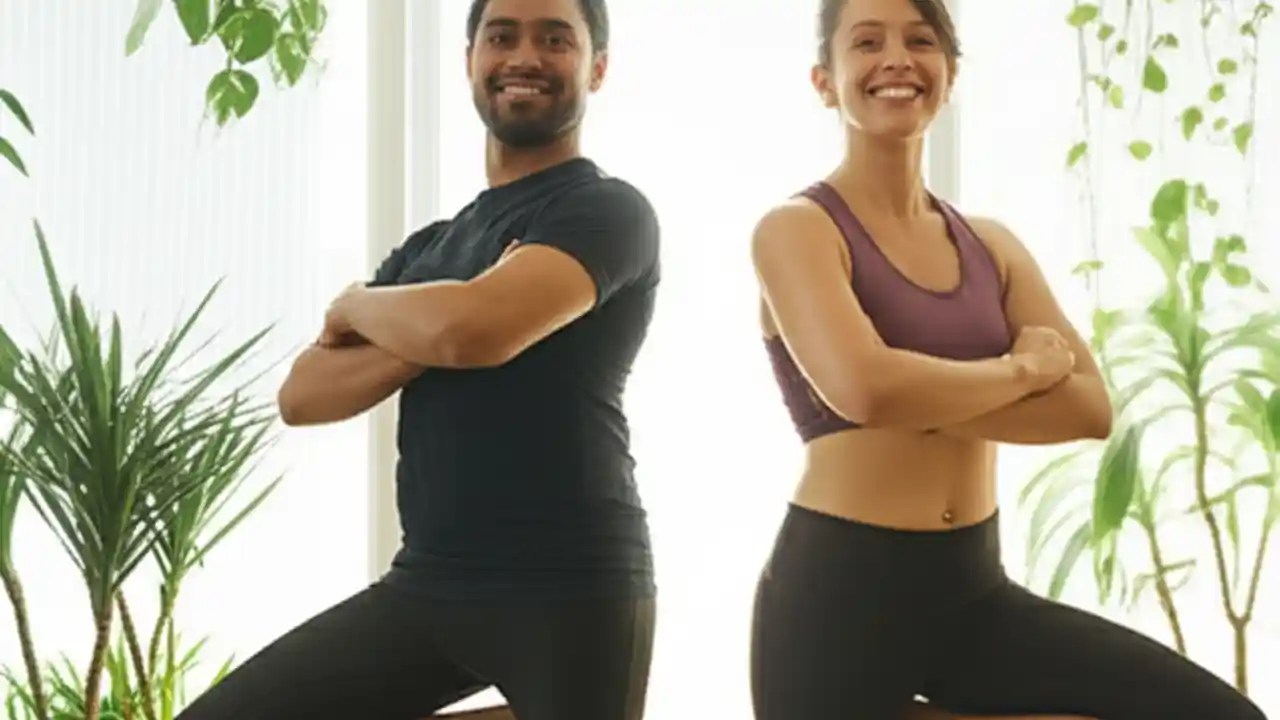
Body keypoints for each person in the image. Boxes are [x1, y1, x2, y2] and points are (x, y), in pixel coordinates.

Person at [747, 0, 1270, 719]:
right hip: (838, 600)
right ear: (825, 80)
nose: (897, 58)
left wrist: (923, 394)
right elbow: (865, 391)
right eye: (866, 42)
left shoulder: (989, 244)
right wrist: (1020, 372)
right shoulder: (796, 230)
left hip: (971, 591)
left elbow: (1089, 409)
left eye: (921, 40)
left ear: (949, 74)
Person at [176, 0, 659, 718]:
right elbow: (305, 395)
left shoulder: (608, 212)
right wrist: (445, 322)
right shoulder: (433, 246)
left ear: (597, 67)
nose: (524, 56)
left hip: (572, 585)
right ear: (470, 60)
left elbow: (474, 333)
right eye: (501, 36)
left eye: (555, 39)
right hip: (432, 584)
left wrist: (364, 307)